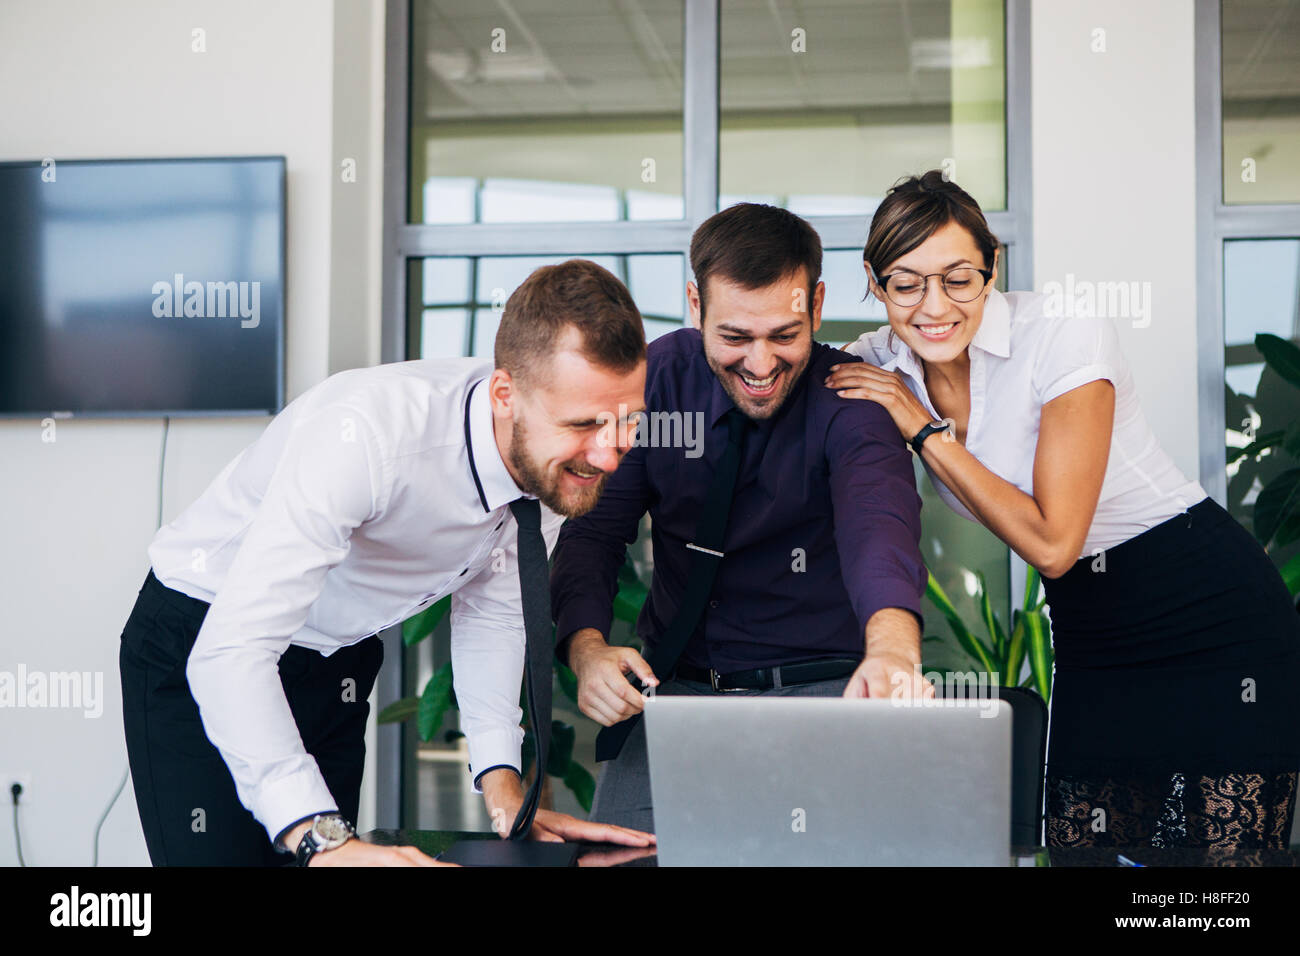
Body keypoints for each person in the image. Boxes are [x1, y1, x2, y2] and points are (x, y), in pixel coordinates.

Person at [119, 259, 656, 865]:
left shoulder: (552, 458)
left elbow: (494, 614)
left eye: (625, 422)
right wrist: (323, 842)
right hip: (208, 638)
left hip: (336, 657)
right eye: (585, 424)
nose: (610, 455)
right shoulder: (367, 438)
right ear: (506, 396)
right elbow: (232, 655)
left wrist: (507, 794)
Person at [826, 170, 1300, 851]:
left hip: (1213, 616)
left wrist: (922, 428)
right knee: (1088, 852)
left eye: (959, 278)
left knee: (1212, 880)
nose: (934, 305)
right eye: (906, 283)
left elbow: (1054, 543)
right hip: (1092, 637)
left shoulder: (1064, 333)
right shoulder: (876, 363)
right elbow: (769, 379)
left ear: (992, 270)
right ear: (876, 283)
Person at [549, 203, 933, 834]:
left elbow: (879, 528)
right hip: (681, 697)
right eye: (735, 338)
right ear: (696, 306)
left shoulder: (854, 399)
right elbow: (595, 530)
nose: (760, 365)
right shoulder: (655, 382)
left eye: (785, 335)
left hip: (831, 692)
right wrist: (587, 647)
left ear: (816, 304)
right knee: (617, 854)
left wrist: (892, 651)